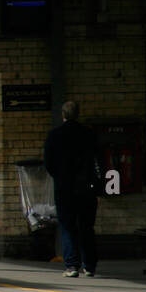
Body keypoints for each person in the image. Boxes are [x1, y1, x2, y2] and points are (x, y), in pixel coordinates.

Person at [44, 100, 101, 278]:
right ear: (78, 114)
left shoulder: (54, 135)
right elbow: (97, 159)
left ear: (63, 115)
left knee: (67, 225)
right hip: (86, 188)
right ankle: (90, 265)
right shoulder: (88, 134)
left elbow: (49, 162)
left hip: (64, 188)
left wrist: (60, 177)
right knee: (86, 226)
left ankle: (72, 265)